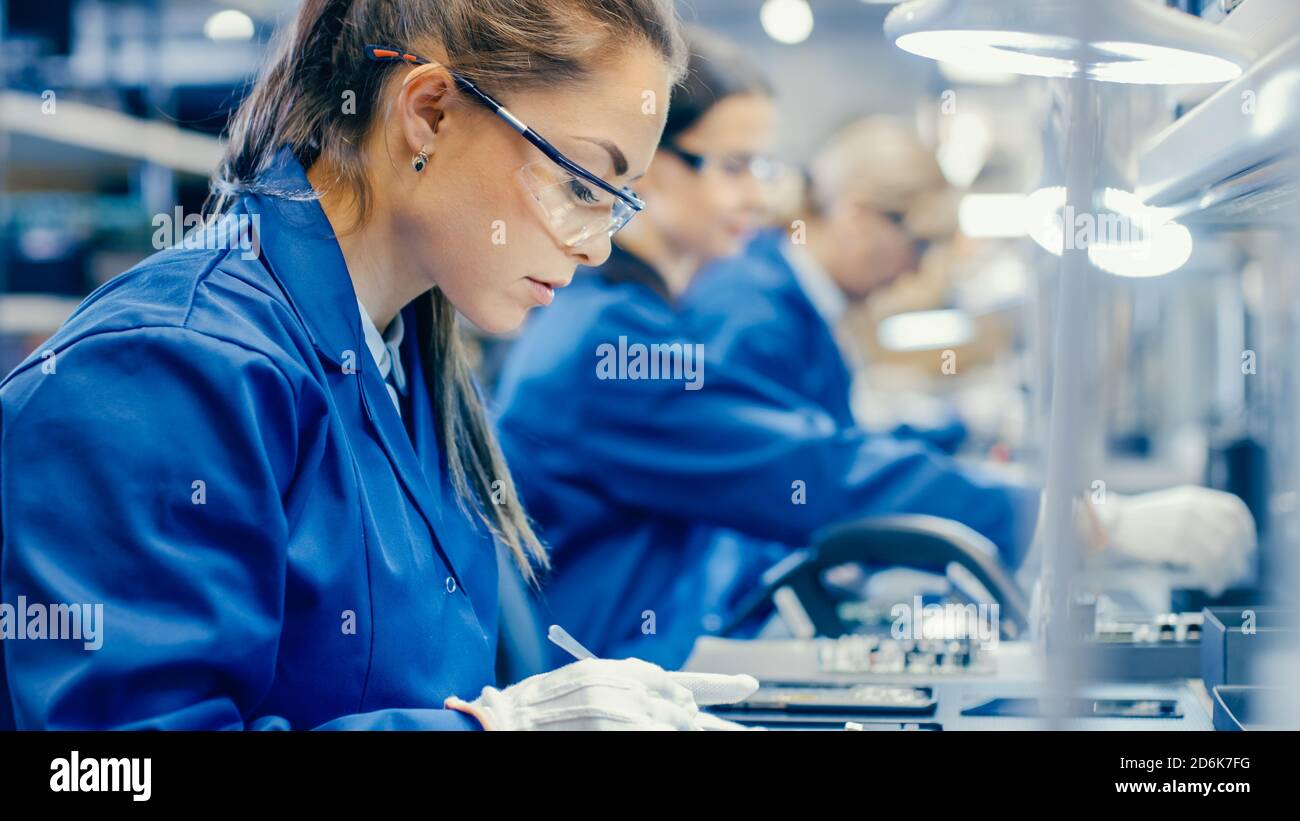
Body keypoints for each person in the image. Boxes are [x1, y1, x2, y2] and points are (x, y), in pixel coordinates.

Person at [0, 0, 758, 731]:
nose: (598, 246)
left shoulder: (407, 358)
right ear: (428, 111)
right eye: (583, 184)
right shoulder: (166, 368)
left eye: (620, 203)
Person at [494, 33, 1258, 669]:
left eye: (762, 168)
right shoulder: (609, 349)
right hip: (603, 673)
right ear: (647, 161)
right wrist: (1080, 518)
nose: (762, 198)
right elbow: (811, 472)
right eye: (734, 168)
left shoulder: (629, 323)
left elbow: (809, 456)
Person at [685, 117, 967, 451]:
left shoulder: (800, 303)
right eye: (917, 244)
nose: (916, 269)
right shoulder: (752, 314)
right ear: (857, 219)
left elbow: (830, 445)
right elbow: (782, 469)